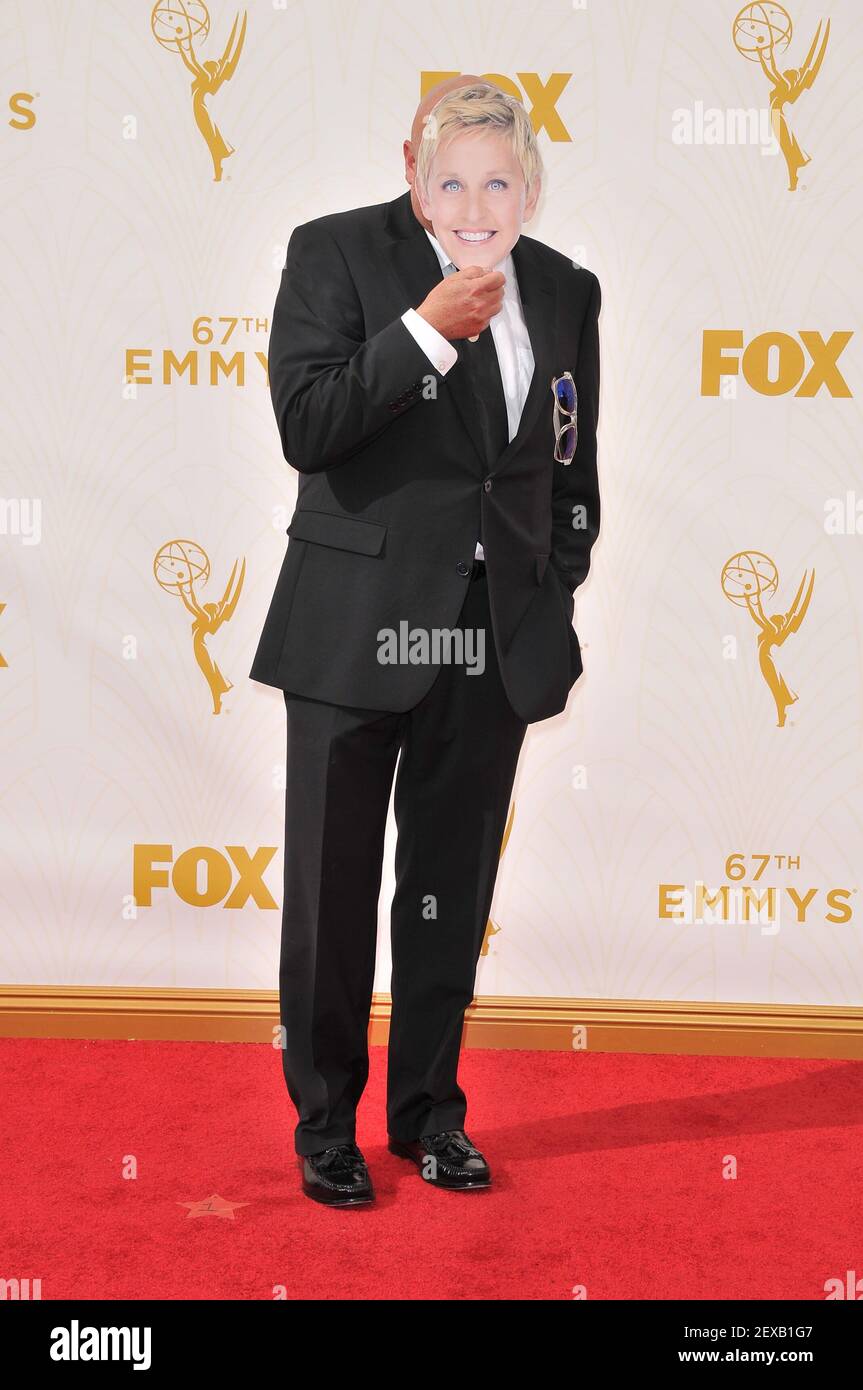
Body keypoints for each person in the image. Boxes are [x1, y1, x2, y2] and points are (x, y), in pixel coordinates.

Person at [249, 78, 601, 1206]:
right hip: (355, 634)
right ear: (413, 175)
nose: (474, 203)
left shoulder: (565, 291)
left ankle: (427, 1118)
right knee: (333, 894)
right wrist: (423, 331)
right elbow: (309, 426)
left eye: (497, 181)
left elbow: (565, 462)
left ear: (530, 188)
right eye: (450, 179)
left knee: (447, 888)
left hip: (489, 643)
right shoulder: (335, 255)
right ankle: (324, 1127)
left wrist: (552, 581)